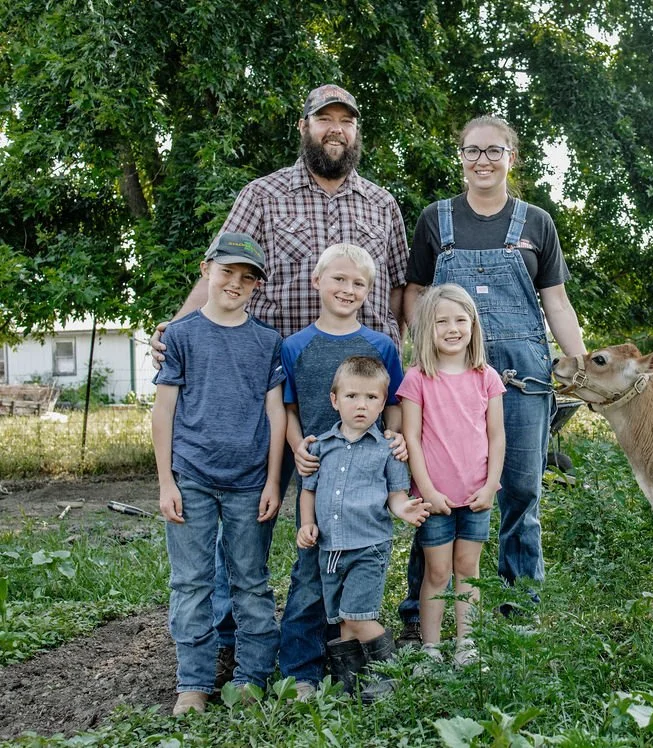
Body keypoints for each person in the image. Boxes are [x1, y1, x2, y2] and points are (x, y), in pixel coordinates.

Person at [150, 84, 409, 685]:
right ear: (306, 127)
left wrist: (410, 369)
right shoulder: (261, 195)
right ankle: (228, 640)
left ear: (356, 132)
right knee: (255, 518)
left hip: (361, 399)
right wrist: (180, 328)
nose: (336, 129)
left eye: (347, 120)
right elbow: (220, 270)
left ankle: (336, 638)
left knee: (347, 522)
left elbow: (400, 291)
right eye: (325, 120)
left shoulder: (382, 205)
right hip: (278, 387)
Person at [400, 115, 586, 637]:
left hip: (522, 375)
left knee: (520, 489)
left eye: (494, 151)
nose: (482, 160)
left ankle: (517, 609)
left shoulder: (536, 223)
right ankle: (422, 611)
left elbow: (556, 302)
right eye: (472, 151)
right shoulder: (437, 220)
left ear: (511, 157)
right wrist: (421, 357)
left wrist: (578, 365)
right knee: (433, 487)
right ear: (460, 157)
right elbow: (415, 293)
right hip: (447, 376)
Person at [151, 233, 286, 716]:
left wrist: (273, 481)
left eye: (247, 278)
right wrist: (167, 481)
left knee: (251, 580)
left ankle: (251, 675)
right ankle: (193, 681)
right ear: (207, 269)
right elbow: (163, 411)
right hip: (192, 477)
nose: (236, 283)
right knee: (191, 582)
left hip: (250, 481)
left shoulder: (268, 342)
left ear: (256, 287)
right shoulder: (180, 336)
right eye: (227, 272)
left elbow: (276, 415)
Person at [280, 242, 406, 700]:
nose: (347, 289)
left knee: (358, 572)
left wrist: (397, 437)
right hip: (320, 475)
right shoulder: (295, 346)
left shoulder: (380, 345)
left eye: (358, 283)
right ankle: (302, 673)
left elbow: (393, 404)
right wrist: (298, 447)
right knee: (310, 575)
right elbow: (288, 406)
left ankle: (359, 678)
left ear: (369, 291)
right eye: (338, 279)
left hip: (368, 479)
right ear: (317, 282)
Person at [296, 356, 429, 703]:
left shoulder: (388, 449)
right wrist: (307, 523)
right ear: (334, 400)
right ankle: (351, 684)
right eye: (352, 396)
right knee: (342, 620)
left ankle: (390, 672)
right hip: (330, 548)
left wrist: (406, 510)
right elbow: (307, 491)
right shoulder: (319, 447)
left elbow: (395, 497)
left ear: (383, 403)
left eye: (372, 398)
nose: (361, 405)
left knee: (358, 615)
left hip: (369, 544)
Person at [398, 284, 505, 668]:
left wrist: (492, 484)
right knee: (437, 571)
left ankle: (466, 645)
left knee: (467, 570)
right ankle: (430, 647)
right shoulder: (418, 378)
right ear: (428, 328)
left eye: (461, 320)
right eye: (442, 321)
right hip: (435, 496)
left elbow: (496, 434)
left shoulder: (486, 377)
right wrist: (426, 489)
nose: (452, 328)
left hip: (477, 494)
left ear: (473, 325)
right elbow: (411, 436)